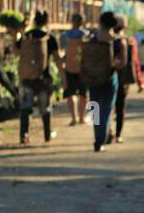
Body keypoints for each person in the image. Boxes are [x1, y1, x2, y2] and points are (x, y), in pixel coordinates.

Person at [81, 11, 125, 152]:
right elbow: (123, 63)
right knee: (105, 110)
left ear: (100, 23)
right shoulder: (118, 41)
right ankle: (100, 140)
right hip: (109, 79)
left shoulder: (92, 39)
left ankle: (97, 137)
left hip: (92, 78)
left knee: (95, 108)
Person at [16, 10, 61, 145]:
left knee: (25, 108)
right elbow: (58, 59)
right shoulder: (49, 38)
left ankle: (24, 135)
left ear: (34, 21)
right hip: (43, 79)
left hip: (26, 78)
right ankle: (47, 135)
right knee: (45, 108)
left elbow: (17, 53)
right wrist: (63, 78)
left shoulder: (26, 36)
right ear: (47, 22)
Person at [110, 14, 143, 144]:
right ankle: (118, 135)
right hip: (123, 80)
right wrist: (140, 82)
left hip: (105, 78)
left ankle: (105, 131)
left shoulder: (104, 40)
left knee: (105, 107)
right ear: (125, 26)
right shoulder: (129, 41)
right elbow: (135, 63)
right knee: (120, 108)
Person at [59, 12, 88, 125]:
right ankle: (82, 117)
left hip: (69, 67)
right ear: (82, 22)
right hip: (83, 68)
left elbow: (62, 53)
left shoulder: (65, 36)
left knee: (71, 94)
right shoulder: (87, 35)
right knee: (83, 94)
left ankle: (74, 118)